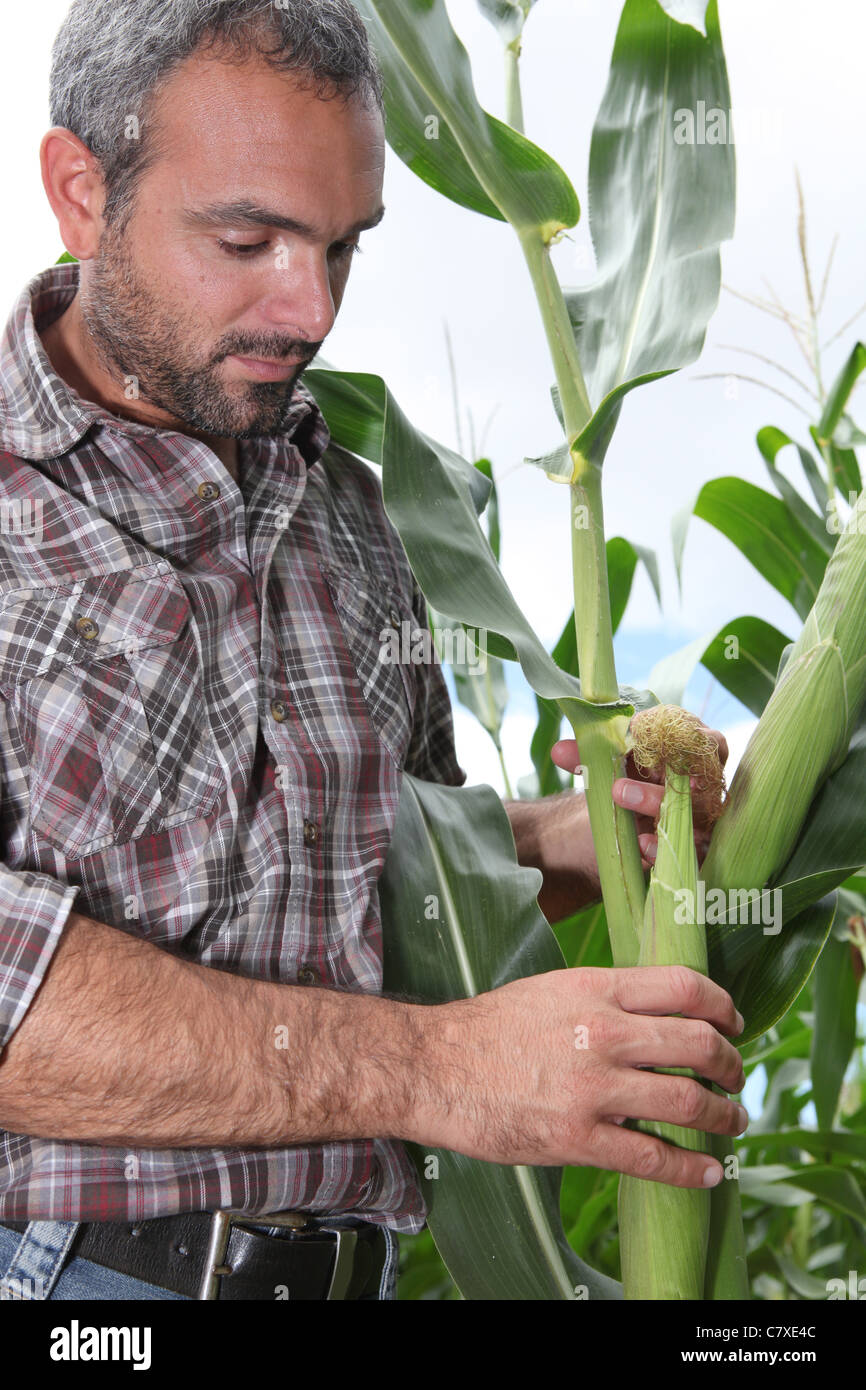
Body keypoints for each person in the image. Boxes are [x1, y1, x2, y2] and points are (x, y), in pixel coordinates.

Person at [0, 0, 746, 1302]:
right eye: (247, 239)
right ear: (80, 188)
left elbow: (378, 890)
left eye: (344, 247)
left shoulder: (348, 506)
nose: (311, 309)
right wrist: (434, 1067)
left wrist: (537, 844)